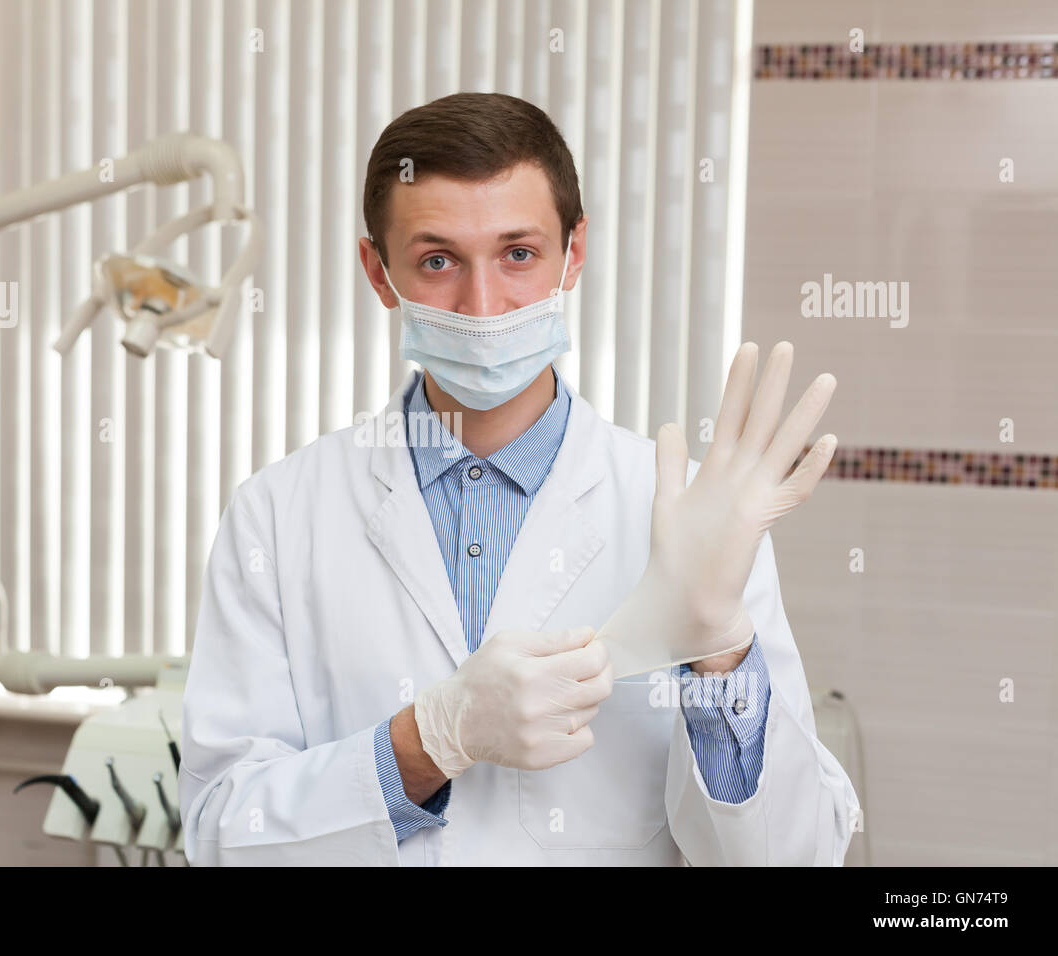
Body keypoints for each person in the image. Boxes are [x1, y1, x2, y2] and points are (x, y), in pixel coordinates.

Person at [179, 91, 860, 866]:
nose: (482, 304)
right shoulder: (278, 514)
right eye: (437, 260)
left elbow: (794, 855)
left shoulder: (690, 517)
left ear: (573, 253)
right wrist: (426, 741)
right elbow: (222, 831)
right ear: (378, 271)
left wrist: (719, 653)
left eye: (518, 253)